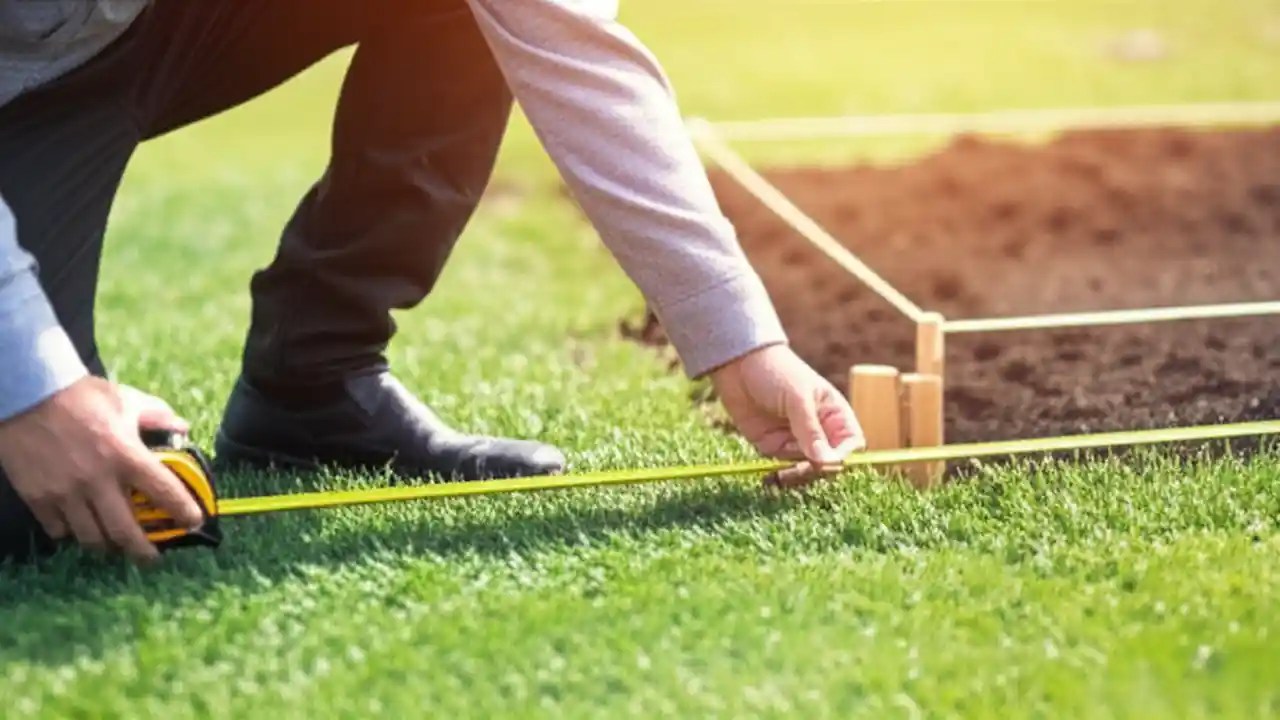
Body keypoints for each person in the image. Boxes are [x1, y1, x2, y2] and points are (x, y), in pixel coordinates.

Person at [0, 1, 864, 564]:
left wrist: (740, 342)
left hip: (168, 26)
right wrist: (32, 388)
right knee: (35, 506)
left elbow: (569, 39)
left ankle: (314, 385)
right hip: (24, 90)